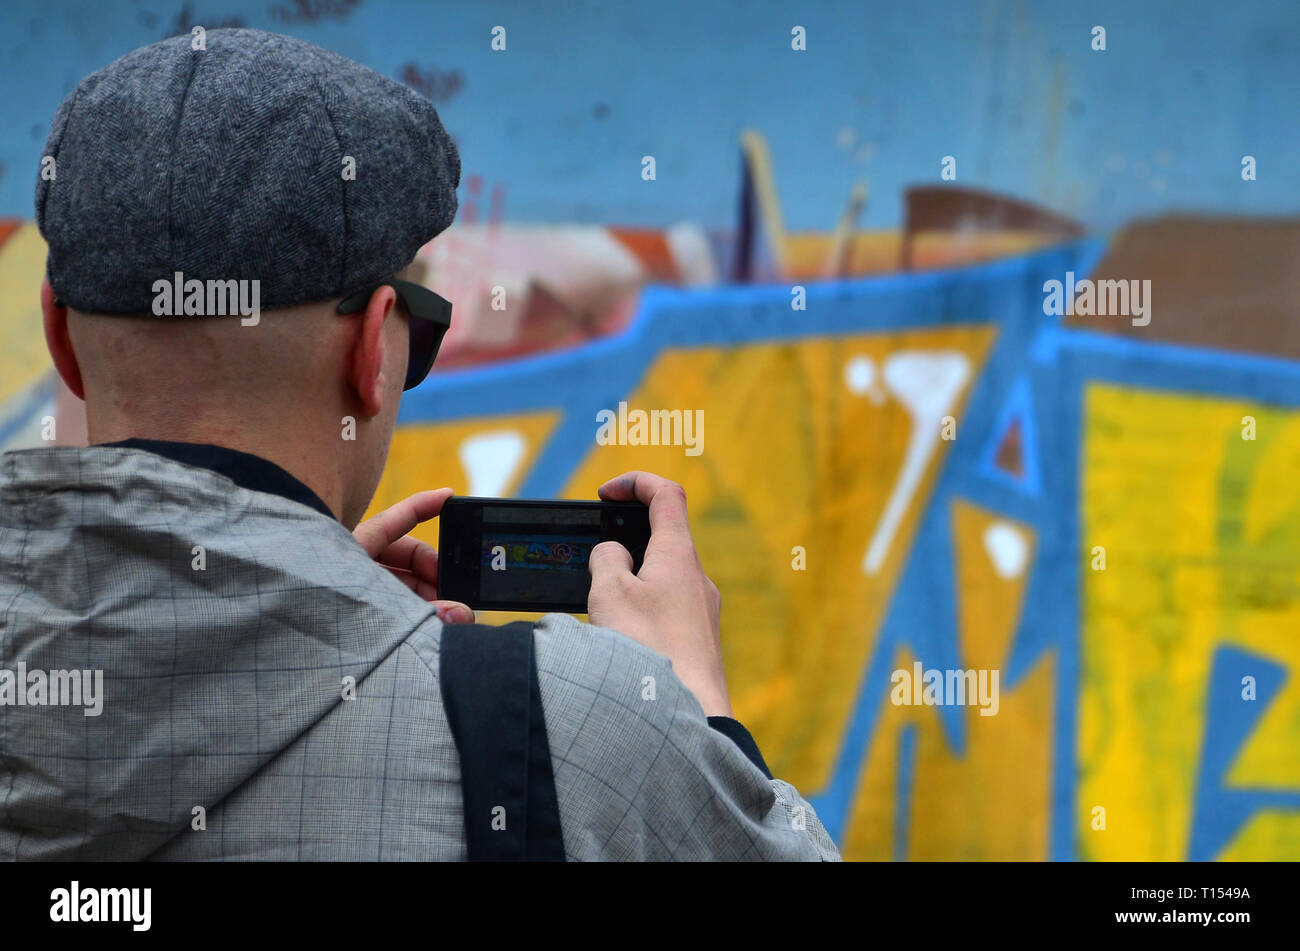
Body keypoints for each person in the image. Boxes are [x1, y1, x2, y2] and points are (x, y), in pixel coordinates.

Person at [0, 27, 840, 861]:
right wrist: (691, 710)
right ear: (373, 352)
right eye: (421, 335)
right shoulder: (561, 738)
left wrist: (308, 607)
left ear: (61, 339)